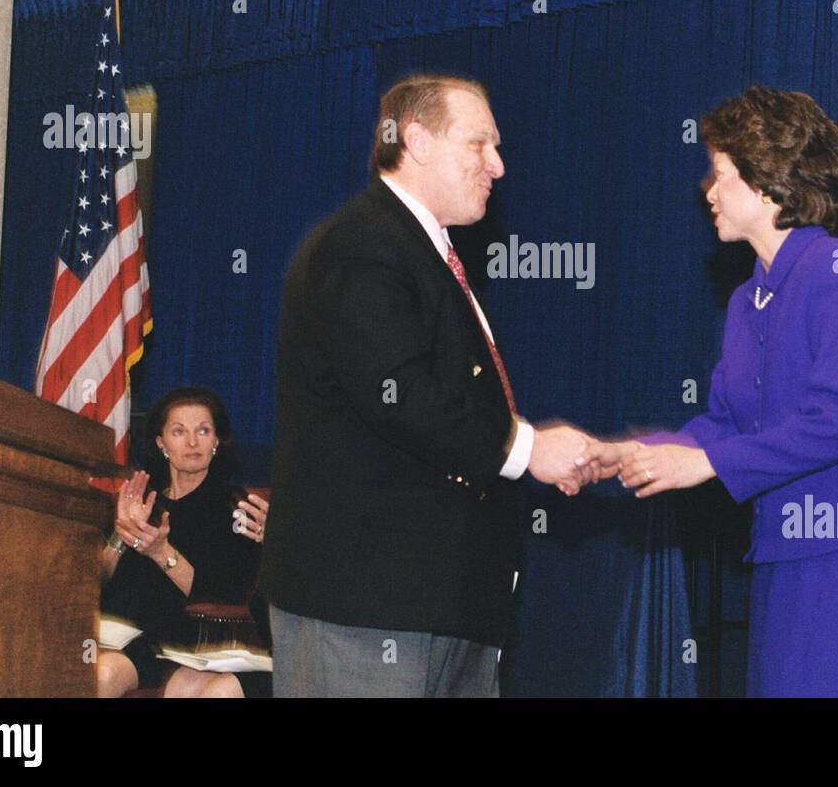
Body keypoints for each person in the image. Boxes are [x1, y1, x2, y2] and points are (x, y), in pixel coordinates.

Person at [579, 85, 838, 696]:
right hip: (785, 545)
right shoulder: (748, 298)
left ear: (769, 182)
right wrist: (640, 453)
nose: (707, 192)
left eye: (719, 174)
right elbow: (727, 422)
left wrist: (705, 463)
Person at [260, 73, 598, 697]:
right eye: (480, 145)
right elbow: (399, 393)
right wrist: (527, 450)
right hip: (367, 605)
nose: (497, 165)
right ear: (415, 140)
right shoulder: (359, 243)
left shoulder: (421, 251)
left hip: (443, 600)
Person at [97, 387, 272, 698]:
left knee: (105, 671)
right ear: (161, 443)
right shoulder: (142, 501)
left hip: (177, 644)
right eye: (179, 432)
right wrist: (121, 535)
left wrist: (161, 552)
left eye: (203, 430)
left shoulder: (236, 508)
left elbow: (224, 593)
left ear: (216, 441)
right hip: (117, 631)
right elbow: (96, 580)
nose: (192, 442)